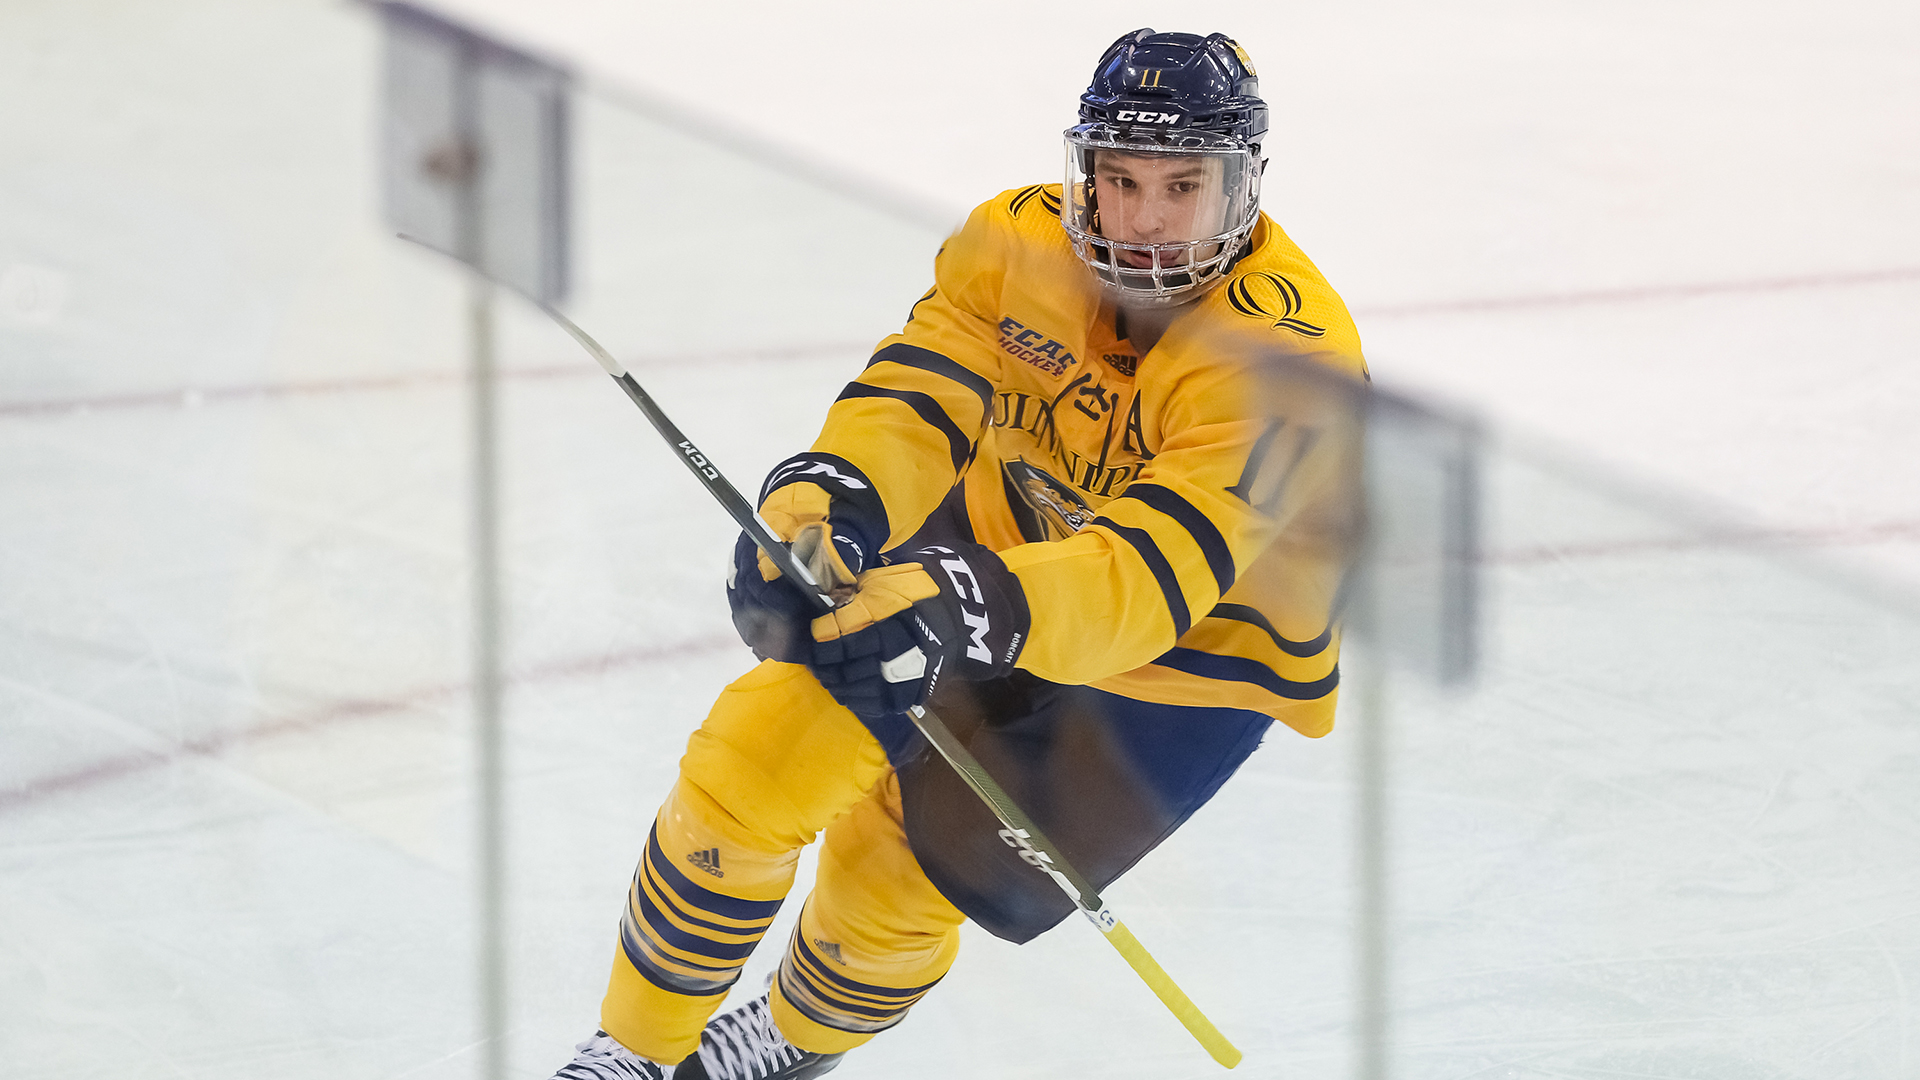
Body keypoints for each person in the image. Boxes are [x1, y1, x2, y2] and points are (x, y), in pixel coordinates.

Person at [550, 28, 1368, 1080]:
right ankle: (631, 1055)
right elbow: (918, 393)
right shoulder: (1017, 239)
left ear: (1241, 188)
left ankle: (790, 1042)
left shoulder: (1289, 357)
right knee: (757, 757)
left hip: (1182, 660)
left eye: (1181, 187)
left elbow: (1151, 574)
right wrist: (826, 505)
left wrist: (959, 606)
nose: (1143, 220)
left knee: (902, 870)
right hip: (992, 552)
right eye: (1118, 180)